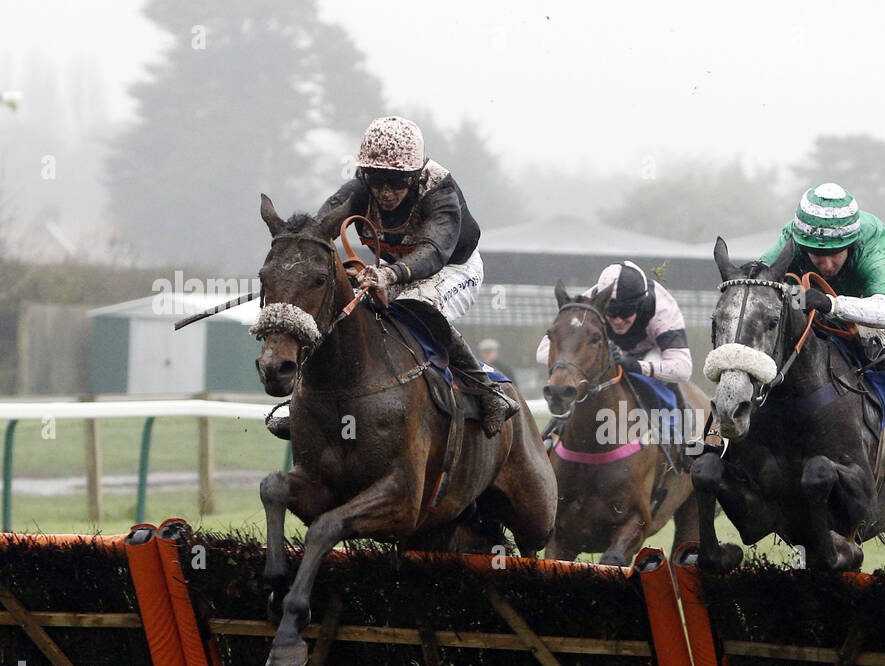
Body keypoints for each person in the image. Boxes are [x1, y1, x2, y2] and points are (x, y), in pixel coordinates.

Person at [269, 115, 517, 439]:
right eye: (375, 178)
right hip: (390, 268)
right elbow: (319, 229)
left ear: (415, 177)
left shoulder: (440, 191)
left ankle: (486, 389)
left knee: (419, 305)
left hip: (452, 267)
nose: (385, 192)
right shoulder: (359, 189)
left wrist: (388, 274)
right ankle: (304, 401)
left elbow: (433, 251)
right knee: (341, 304)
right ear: (364, 174)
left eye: (397, 182)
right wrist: (300, 269)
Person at [761, 182, 885, 472]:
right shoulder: (792, 236)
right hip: (816, 316)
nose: (826, 264)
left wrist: (831, 304)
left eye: (836, 253)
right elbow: (761, 286)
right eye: (816, 255)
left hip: (879, 319)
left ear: (850, 244)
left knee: (874, 339)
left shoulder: (871, 235)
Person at [536, 260, 693, 384]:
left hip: (651, 355)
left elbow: (683, 369)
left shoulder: (662, 308)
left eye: (626, 312)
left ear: (640, 305)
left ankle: (677, 419)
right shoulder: (587, 305)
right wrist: (598, 357)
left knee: (656, 371)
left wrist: (635, 365)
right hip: (605, 358)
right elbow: (543, 352)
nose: (618, 320)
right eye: (611, 312)